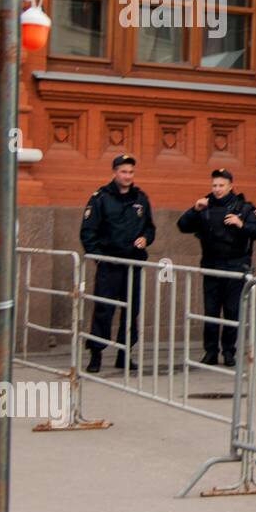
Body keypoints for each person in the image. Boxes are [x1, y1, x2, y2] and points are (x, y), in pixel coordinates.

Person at [176, 169, 256, 367]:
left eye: (221, 185)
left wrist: (241, 224)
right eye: (214, 185)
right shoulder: (205, 207)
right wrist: (195, 209)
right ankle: (210, 352)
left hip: (235, 267)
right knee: (211, 312)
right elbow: (182, 225)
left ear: (230, 186)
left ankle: (228, 352)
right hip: (212, 267)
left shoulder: (244, 207)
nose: (217, 189)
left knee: (232, 311)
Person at [79, 155, 155, 373]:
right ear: (114, 172)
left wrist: (146, 239)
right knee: (104, 309)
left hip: (133, 262)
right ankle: (96, 354)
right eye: (124, 172)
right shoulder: (101, 198)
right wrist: (99, 256)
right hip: (110, 263)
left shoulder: (141, 198)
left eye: (131, 172)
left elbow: (150, 227)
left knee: (132, 310)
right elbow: (87, 232)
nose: (128, 176)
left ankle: (125, 354)